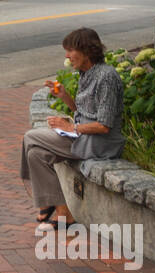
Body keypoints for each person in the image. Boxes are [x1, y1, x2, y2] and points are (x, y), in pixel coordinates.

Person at [20, 27, 126, 226]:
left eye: (70, 50)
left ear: (87, 51)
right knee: (36, 155)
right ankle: (63, 212)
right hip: (83, 137)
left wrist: (71, 128)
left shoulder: (106, 77)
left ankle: (41, 197)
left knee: (30, 137)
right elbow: (84, 111)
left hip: (100, 144)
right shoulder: (86, 73)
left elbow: (104, 125)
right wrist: (64, 96)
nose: (67, 56)